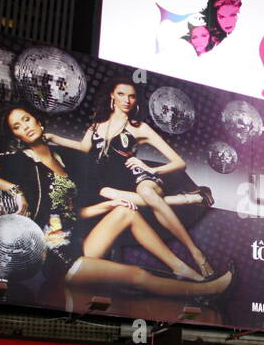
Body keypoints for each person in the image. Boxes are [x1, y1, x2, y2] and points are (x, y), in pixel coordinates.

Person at [0, 104, 233, 305]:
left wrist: (111, 203)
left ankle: (183, 270)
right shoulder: (20, 160)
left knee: (125, 211)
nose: (25, 127)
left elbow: (72, 213)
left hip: (77, 243)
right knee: (137, 275)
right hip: (59, 258)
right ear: (16, 136)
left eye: (27, 119)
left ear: (38, 121)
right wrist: (15, 189)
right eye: (17, 127)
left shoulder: (61, 158)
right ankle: (207, 291)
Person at [70, 82, 215, 278]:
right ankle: (186, 199)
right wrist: (52, 137)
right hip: (113, 185)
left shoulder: (140, 128)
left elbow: (179, 163)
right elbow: (81, 149)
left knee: (145, 192)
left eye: (131, 96)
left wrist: (151, 168)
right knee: (107, 192)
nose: (126, 100)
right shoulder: (96, 127)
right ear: (112, 95)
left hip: (142, 179)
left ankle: (196, 252)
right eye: (121, 94)